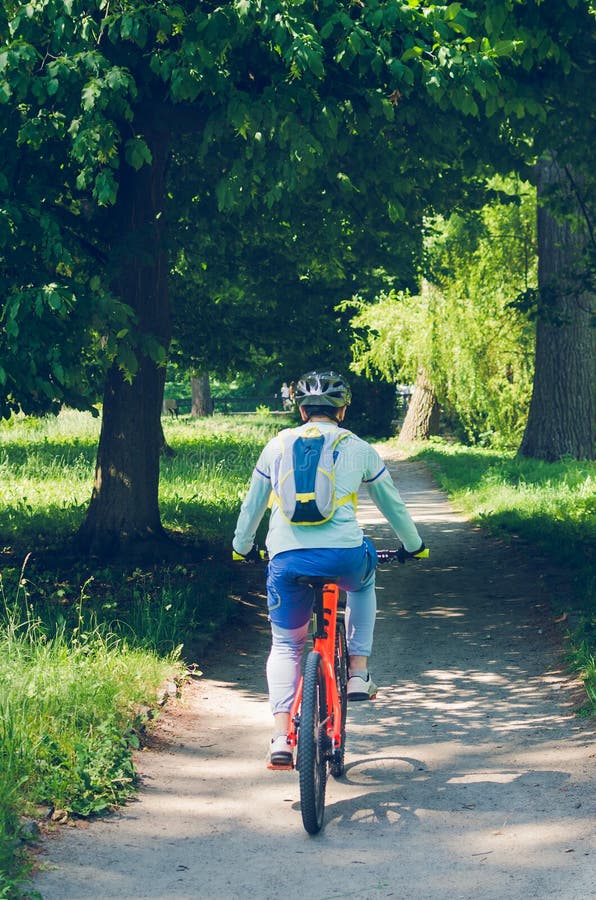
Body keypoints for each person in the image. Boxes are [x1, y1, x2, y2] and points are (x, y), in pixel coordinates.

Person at [232, 371, 424, 767]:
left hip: (287, 560)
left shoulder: (276, 446)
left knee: (286, 645)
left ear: (301, 410)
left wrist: (242, 547)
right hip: (344, 556)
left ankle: (281, 738)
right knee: (363, 581)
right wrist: (413, 545)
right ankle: (358, 672)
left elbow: (253, 506)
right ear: (343, 410)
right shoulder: (358, 447)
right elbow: (392, 504)